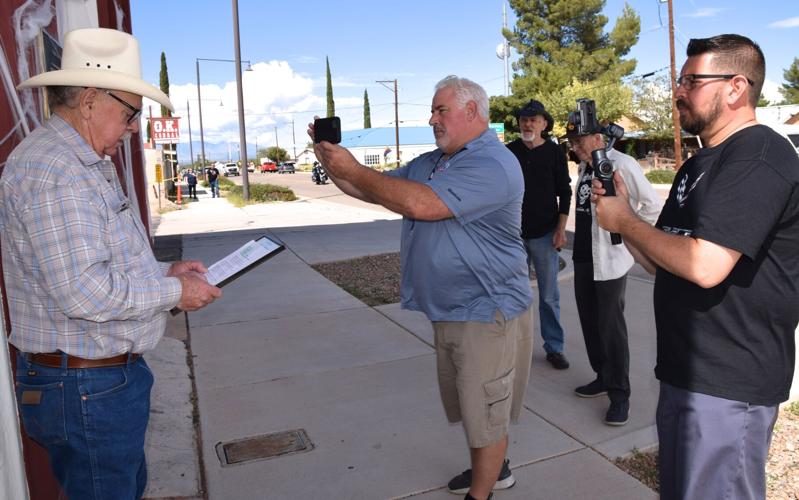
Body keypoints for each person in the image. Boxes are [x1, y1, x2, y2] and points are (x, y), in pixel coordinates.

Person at [2, 27, 221, 499]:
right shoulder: (56, 170)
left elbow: (98, 267)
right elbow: (86, 292)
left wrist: (164, 274)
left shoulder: (81, 162)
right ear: (88, 101)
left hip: (94, 382)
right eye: (129, 113)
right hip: (85, 385)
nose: (134, 127)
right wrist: (177, 292)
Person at [593, 34, 799, 499]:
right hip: (685, 371)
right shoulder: (698, 165)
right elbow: (665, 261)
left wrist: (625, 221)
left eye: (691, 81)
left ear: (736, 87)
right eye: (679, 80)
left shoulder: (759, 154)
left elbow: (707, 265)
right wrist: (625, 217)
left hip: (730, 382)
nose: (678, 91)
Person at [311, 75, 533, 500]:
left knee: (486, 414)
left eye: (440, 110)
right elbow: (372, 190)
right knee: (473, 407)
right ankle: (493, 469)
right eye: (432, 111)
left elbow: (420, 204)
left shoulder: (492, 164)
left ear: (472, 111)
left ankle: (483, 492)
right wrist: (332, 162)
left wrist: (354, 168)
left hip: (485, 312)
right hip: (449, 308)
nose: (432, 119)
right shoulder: (435, 161)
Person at [565, 110, 662, 426]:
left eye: (579, 142)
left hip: (610, 260)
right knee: (590, 323)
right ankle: (603, 377)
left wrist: (632, 234)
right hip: (583, 257)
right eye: (572, 142)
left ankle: (620, 395)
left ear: (597, 138)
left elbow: (653, 206)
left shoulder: (622, 164)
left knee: (611, 329)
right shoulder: (585, 166)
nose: (575, 148)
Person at [506, 99, 571, 370]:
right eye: (524, 119)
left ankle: (554, 347)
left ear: (544, 124)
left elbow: (565, 192)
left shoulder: (555, 153)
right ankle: (512, 346)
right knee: (513, 293)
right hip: (513, 236)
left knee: (548, 296)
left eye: (533, 120)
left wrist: (561, 229)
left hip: (545, 234)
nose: (527, 124)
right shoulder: (509, 152)